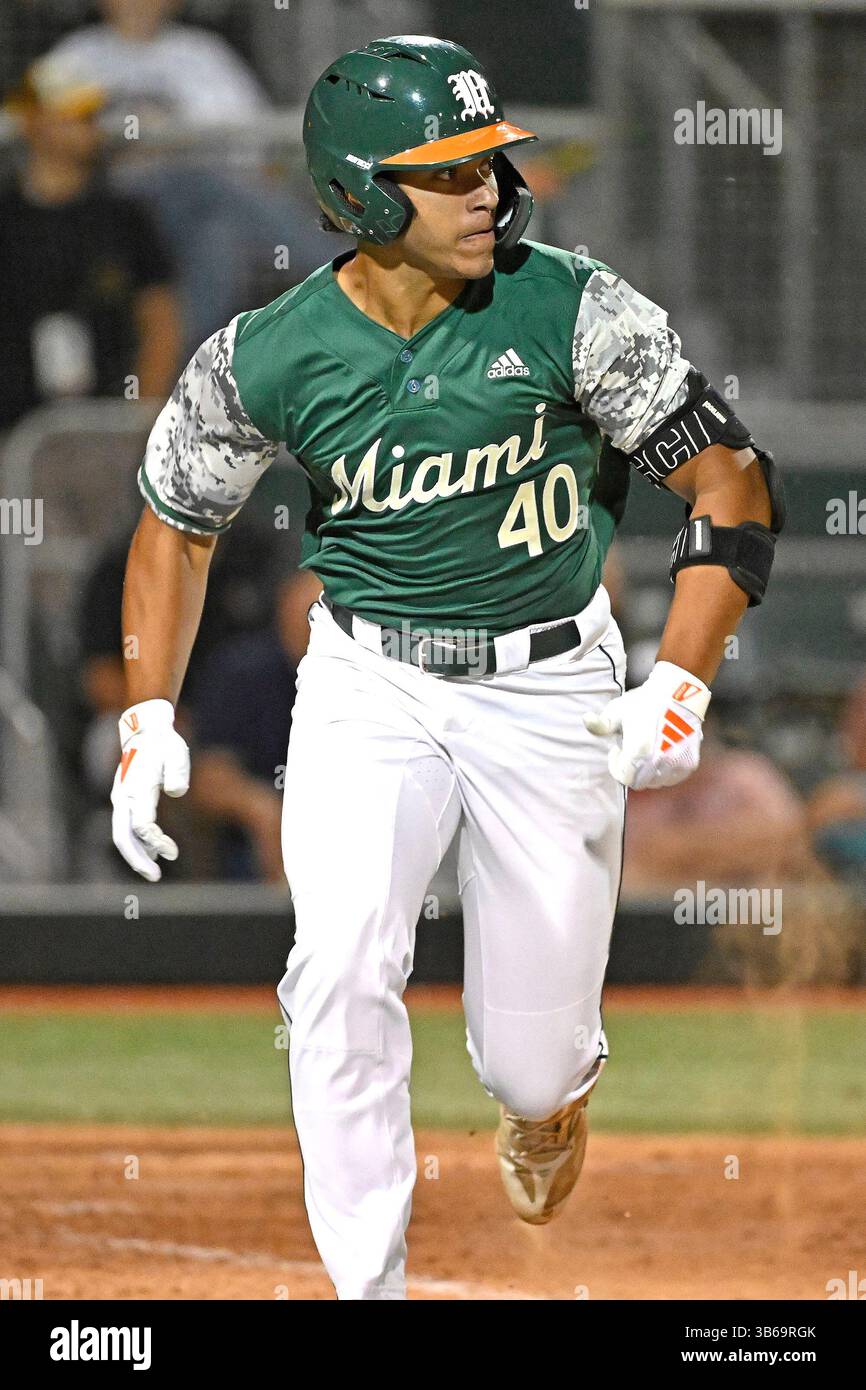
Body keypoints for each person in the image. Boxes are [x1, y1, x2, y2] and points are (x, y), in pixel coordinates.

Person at [109, 36, 784, 1299]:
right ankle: (368, 1285)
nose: (487, 190)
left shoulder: (573, 305)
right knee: (338, 964)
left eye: (489, 162)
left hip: (549, 688)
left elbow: (729, 480)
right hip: (371, 686)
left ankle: (547, 1100)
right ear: (360, 192)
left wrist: (680, 678)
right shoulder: (269, 350)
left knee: (529, 1062)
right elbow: (174, 517)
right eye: (447, 171)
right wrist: (150, 710)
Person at [0, 51, 181, 430]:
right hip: (12, 433)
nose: (90, 128)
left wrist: (134, 424)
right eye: (76, 117)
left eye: (92, 117)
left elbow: (161, 321)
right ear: (36, 123)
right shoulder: (9, 220)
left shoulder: (124, 217)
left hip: (102, 430)